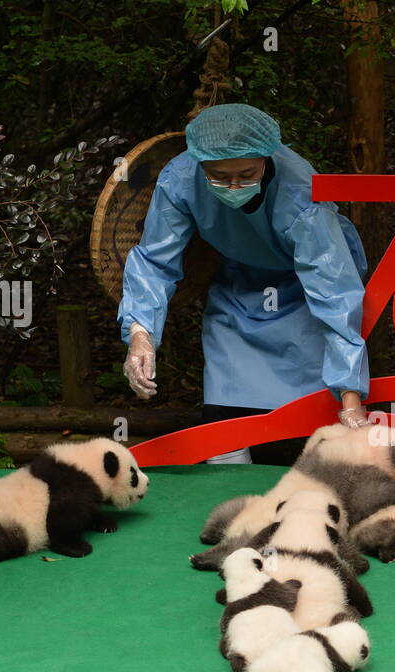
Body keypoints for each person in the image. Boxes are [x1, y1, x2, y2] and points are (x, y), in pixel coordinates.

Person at [118, 103, 371, 464]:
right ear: (200, 163)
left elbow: (334, 292)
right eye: (219, 176)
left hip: (305, 295)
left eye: (246, 174)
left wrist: (350, 397)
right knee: (225, 415)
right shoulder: (180, 177)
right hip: (237, 287)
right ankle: (229, 506)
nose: (234, 186)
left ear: (266, 159)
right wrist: (141, 336)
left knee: (310, 416)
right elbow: (154, 260)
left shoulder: (300, 193)